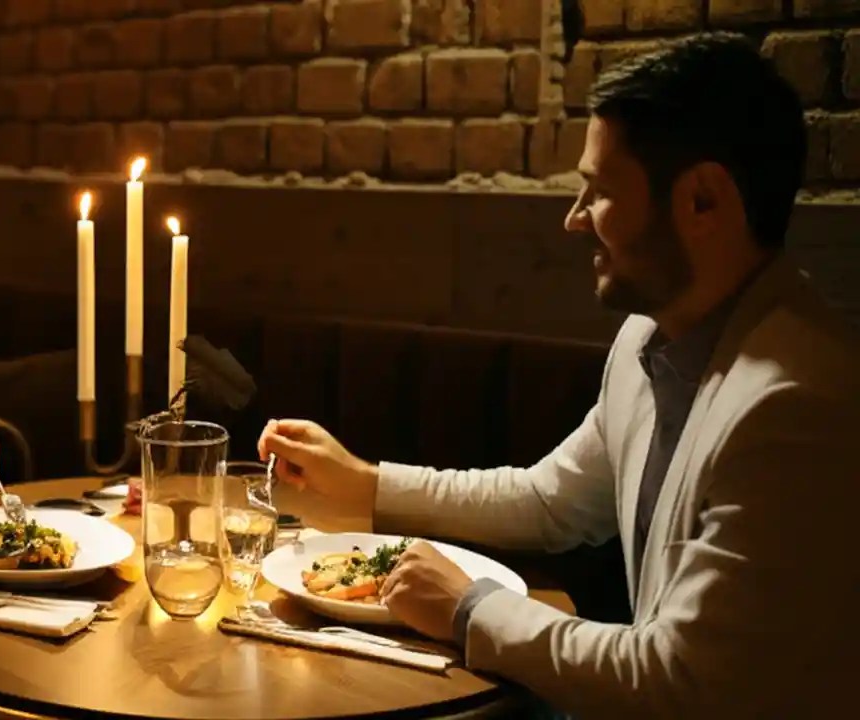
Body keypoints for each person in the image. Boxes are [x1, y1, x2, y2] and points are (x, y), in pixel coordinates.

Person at [259, 32, 860, 719]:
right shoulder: (653, 335)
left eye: (598, 192)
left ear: (702, 202)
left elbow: (680, 680)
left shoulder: (798, 404)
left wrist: (470, 610)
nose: (574, 220)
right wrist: (364, 483)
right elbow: (549, 501)